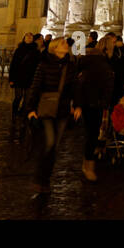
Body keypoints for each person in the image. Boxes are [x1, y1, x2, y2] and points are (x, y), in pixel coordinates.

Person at [27, 36, 79, 197]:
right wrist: (30, 108)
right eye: (63, 43)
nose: (66, 45)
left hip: (63, 110)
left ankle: (45, 180)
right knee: (49, 143)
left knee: (55, 147)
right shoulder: (44, 65)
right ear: (55, 48)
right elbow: (35, 87)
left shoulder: (70, 66)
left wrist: (77, 105)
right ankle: (39, 178)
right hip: (47, 109)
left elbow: (74, 87)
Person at [75, 38, 116, 182]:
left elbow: (80, 83)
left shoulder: (86, 60)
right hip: (96, 103)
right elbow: (108, 86)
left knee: (90, 133)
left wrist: (78, 104)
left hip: (87, 102)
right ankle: (88, 165)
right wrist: (104, 103)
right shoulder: (103, 64)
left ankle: (87, 162)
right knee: (93, 134)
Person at [8, 33, 40, 119]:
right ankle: (14, 113)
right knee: (18, 97)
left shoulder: (36, 51)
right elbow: (13, 65)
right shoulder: (19, 50)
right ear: (24, 38)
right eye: (27, 36)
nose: (29, 38)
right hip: (19, 77)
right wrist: (11, 79)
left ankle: (23, 114)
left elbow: (38, 65)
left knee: (27, 98)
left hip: (30, 78)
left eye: (31, 36)